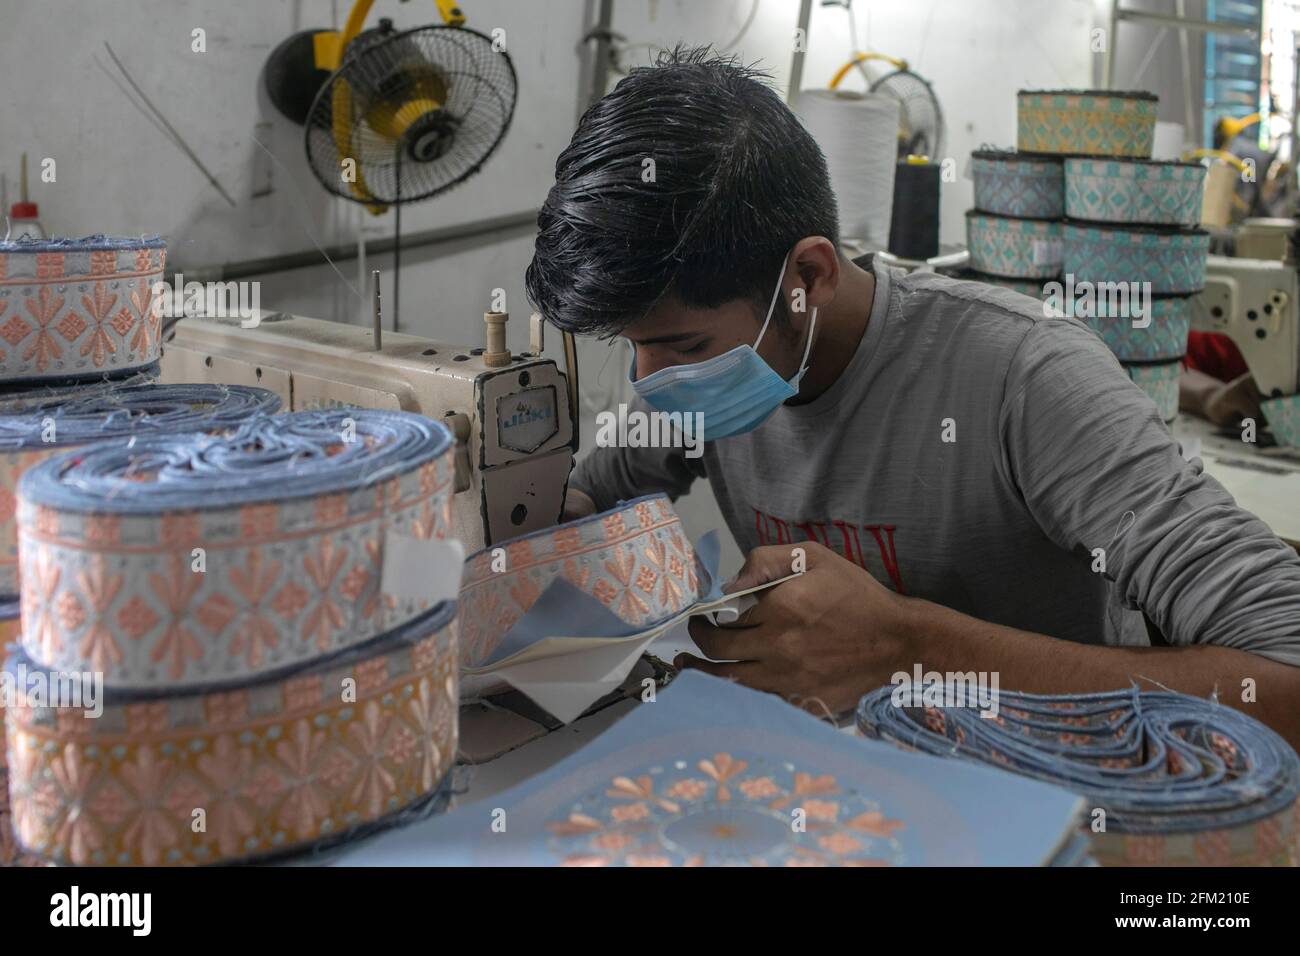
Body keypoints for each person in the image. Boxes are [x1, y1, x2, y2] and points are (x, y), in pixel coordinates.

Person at [526, 48, 1300, 748]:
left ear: (809, 278)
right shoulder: (686, 383)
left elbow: (1286, 680)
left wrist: (912, 648)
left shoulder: (1027, 378)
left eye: (684, 348)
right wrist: (505, 512)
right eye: (630, 347)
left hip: (1049, 784)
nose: (648, 381)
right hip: (843, 765)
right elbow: (591, 498)